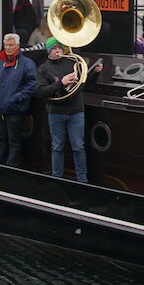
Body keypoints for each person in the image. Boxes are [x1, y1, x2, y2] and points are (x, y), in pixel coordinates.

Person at [35, 37, 101, 183]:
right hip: (55, 112)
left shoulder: (72, 62)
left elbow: (84, 83)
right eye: (54, 48)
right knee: (57, 146)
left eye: (59, 48)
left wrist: (95, 73)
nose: (58, 51)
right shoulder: (43, 69)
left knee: (78, 146)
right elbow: (40, 92)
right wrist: (61, 83)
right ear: (48, 51)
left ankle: (82, 180)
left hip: (75, 111)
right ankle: (57, 178)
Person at [0, 33, 38, 167]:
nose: (8, 48)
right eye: (6, 45)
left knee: (14, 141)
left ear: (17, 46)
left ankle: (11, 167)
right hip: (0, 110)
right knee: (0, 139)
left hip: (15, 110)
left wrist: (16, 98)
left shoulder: (27, 64)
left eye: (11, 45)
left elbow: (32, 85)